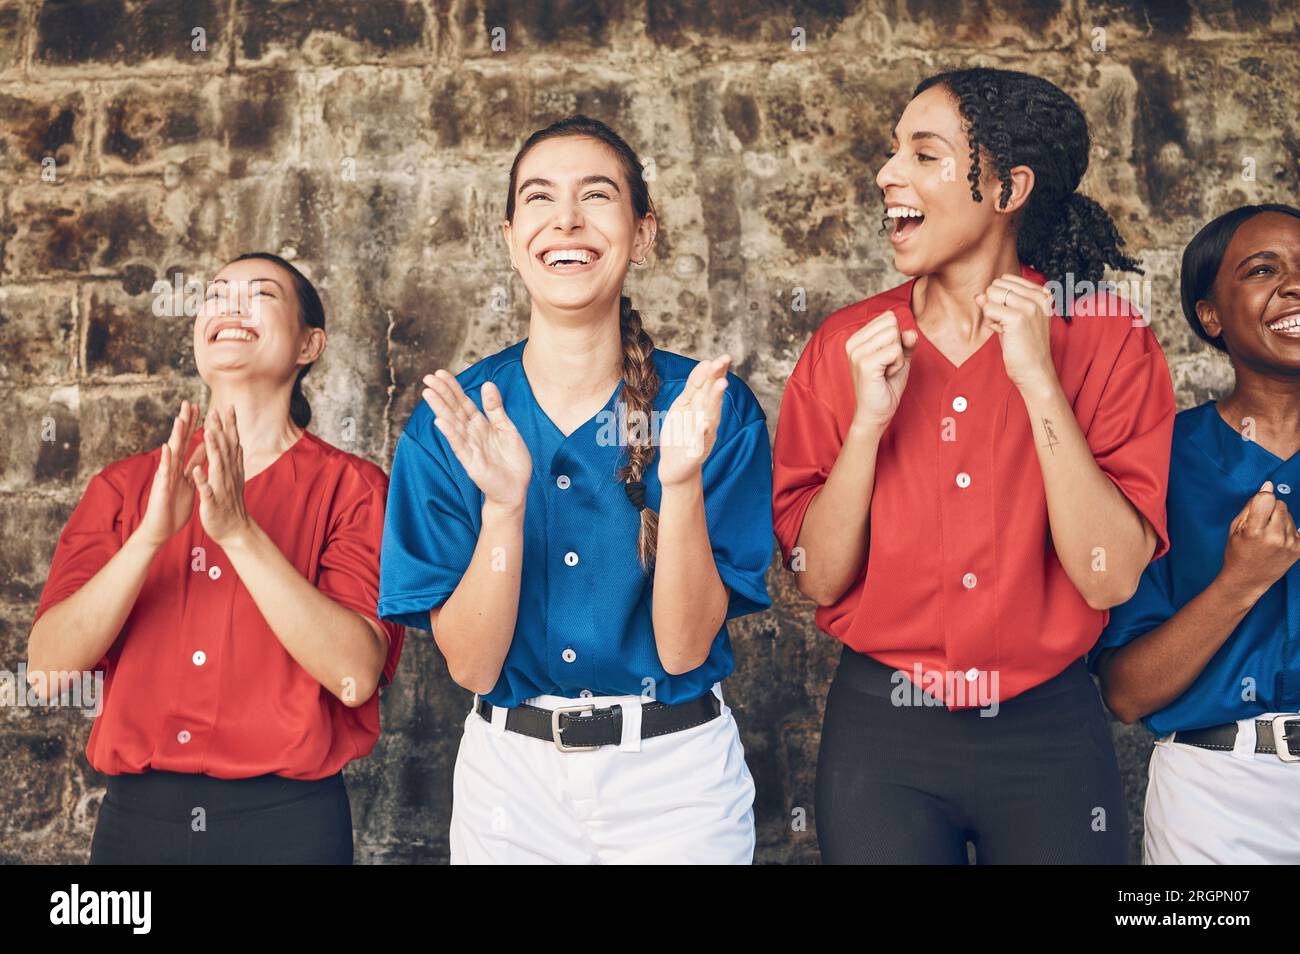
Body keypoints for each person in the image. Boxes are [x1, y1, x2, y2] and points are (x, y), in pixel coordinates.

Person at [772, 68, 1175, 863]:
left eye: (924, 155)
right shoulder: (842, 348)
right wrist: (867, 429)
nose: (888, 175)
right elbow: (817, 578)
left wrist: (1036, 379)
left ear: (1008, 187)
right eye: (893, 153)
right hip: (882, 737)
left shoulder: (1106, 337)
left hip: (1051, 735)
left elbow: (1109, 579)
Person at [378, 115, 773, 864]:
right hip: (510, 783)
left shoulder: (710, 408)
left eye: (597, 195)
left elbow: (686, 649)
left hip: (676, 779)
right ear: (509, 235)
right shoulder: (453, 423)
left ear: (643, 232)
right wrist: (503, 509)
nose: (567, 219)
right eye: (539, 198)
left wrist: (681, 482)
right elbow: (471, 668)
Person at [27, 252, 404, 864]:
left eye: (259, 294)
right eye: (215, 295)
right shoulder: (123, 488)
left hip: (288, 824)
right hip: (135, 825)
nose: (230, 306)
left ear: (310, 344)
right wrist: (149, 538)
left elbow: (355, 675)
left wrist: (239, 533)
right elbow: (46, 673)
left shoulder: (355, 490)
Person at [1093, 204, 1300, 864]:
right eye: (1263, 270)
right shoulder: (1158, 464)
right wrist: (1238, 584)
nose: (1294, 286)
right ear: (1210, 314)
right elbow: (1125, 694)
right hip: (1218, 800)